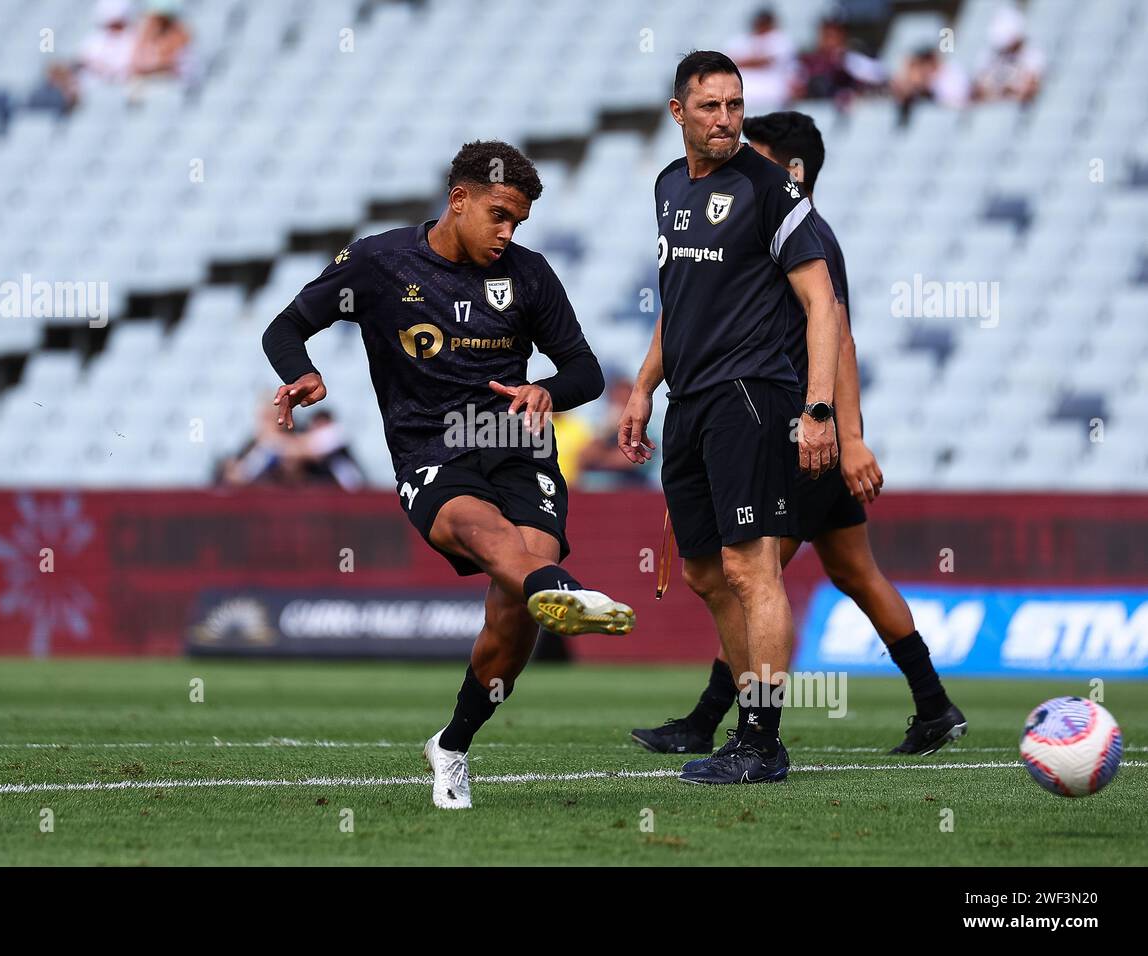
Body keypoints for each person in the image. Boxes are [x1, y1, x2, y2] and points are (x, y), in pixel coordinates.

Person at [262, 141, 635, 810]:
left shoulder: (530, 274)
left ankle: (454, 743)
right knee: (488, 536)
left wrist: (547, 389)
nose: (507, 233)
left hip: (518, 446)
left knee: (518, 601)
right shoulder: (380, 261)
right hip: (431, 447)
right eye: (498, 215)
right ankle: (571, 595)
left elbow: (586, 370)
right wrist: (302, 373)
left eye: (517, 222)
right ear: (458, 199)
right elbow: (286, 326)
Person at [630, 111, 967, 761]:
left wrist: (849, 434)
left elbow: (836, 330)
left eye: (755, 150)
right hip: (799, 426)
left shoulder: (804, 232)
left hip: (785, 427)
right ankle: (933, 704)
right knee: (852, 571)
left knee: (750, 577)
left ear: (791, 169)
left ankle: (724, 727)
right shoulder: (755, 223)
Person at [618, 52, 840, 786]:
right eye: (711, 106)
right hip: (688, 401)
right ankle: (746, 732)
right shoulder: (667, 184)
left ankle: (761, 741)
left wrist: (818, 409)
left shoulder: (770, 188)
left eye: (736, 105)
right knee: (704, 572)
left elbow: (822, 305)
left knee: (752, 568)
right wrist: (645, 386)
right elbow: (677, 301)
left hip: (751, 396)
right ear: (678, 111)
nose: (726, 119)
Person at [795, 17, 886, 105]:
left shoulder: (850, 59)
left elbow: (880, 75)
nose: (830, 42)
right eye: (827, 36)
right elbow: (797, 89)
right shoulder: (808, 61)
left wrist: (846, 62)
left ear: (843, 37)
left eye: (835, 36)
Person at [726, 8, 797, 111]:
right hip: (742, 94)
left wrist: (745, 61)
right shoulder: (740, 40)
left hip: (772, 93)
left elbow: (768, 61)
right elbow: (729, 63)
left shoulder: (781, 39)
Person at [973, 6, 1044, 103]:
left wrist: (1005, 91)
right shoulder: (991, 55)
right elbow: (979, 90)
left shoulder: (1033, 55)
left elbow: (1029, 90)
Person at [890, 46, 970, 124]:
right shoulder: (931, 83)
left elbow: (952, 108)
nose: (919, 73)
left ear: (928, 64)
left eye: (919, 67)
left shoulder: (951, 78)